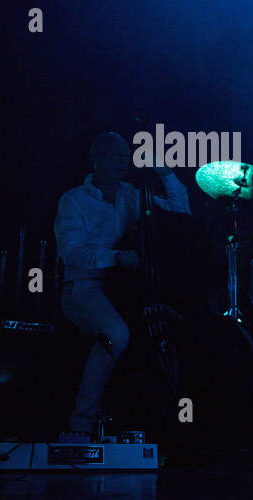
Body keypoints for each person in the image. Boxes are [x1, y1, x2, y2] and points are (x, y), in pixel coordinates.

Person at [54, 132, 191, 440]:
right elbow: (71, 252)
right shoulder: (73, 200)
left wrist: (165, 171)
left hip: (126, 289)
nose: (122, 161)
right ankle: (80, 425)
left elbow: (181, 215)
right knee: (116, 334)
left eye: (124, 156)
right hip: (83, 288)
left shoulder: (132, 195)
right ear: (96, 160)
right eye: (114, 155)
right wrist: (116, 257)